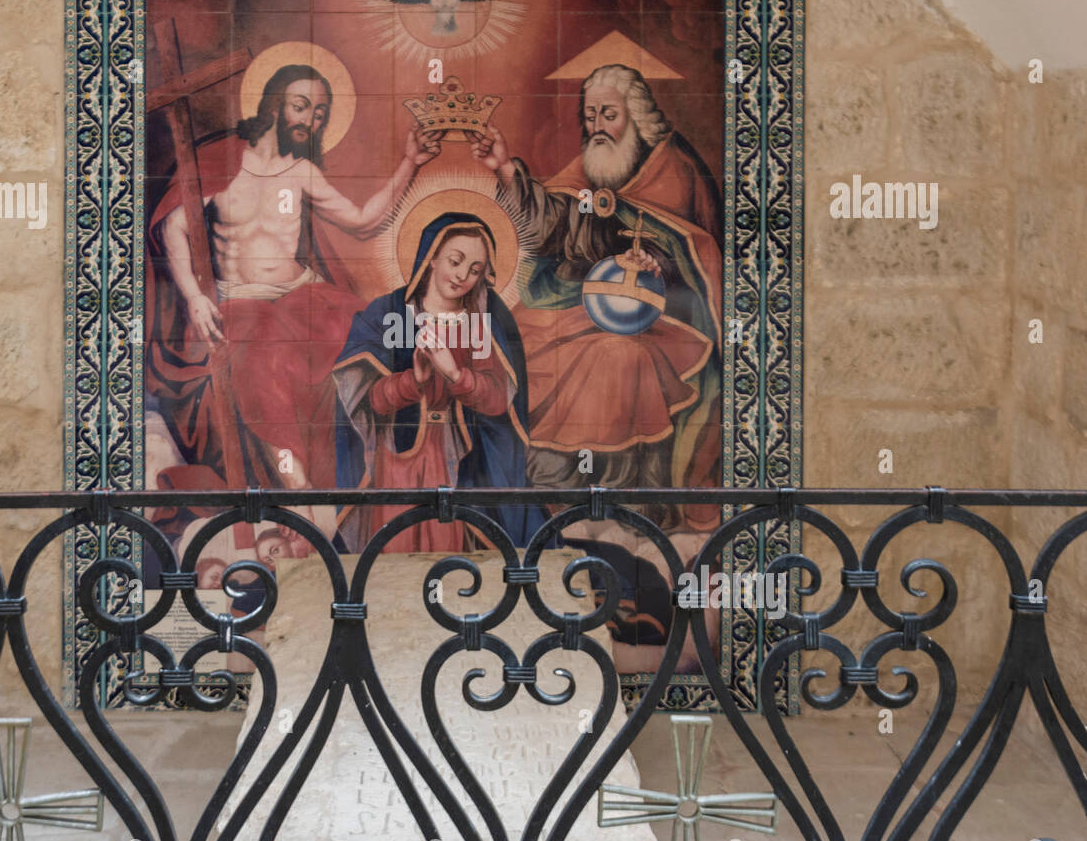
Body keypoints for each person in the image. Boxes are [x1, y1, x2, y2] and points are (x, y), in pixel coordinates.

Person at [147, 63, 439, 488]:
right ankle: (297, 485)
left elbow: (360, 222)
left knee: (368, 334)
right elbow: (175, 227)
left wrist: (409, 163)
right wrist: (194, 296)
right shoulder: (222, 163)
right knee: (260, 366)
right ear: (273, 104)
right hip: (241, 300)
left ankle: (373, 471)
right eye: (301, 106)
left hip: (305, 296)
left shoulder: (302, 172)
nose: (309, 120)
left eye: (319, 113)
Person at [469, 62, 723, 533]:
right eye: (590, 116)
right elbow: (549, 225)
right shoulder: (591, 167)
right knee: (518, 340)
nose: (597, 127)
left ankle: (621, 493)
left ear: (637, 115)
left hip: (657, 316)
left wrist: (656, 267)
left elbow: (698, 254)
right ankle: (550, 483)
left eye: (609, 114)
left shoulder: (675, 170)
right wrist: (505, 168)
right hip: (577, 298)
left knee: (619, 359)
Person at [333, 209, 542, 552]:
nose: (462, 276)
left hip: (456, 455)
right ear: (431, 258)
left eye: (475, 270)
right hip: (396, 458)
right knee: (396, 546)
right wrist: (413, 380)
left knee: (447, 550)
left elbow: (498, 399)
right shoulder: (388, 313)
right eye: (455, 261)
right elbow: (364, 399)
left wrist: (456, 375)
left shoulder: (484, 319)